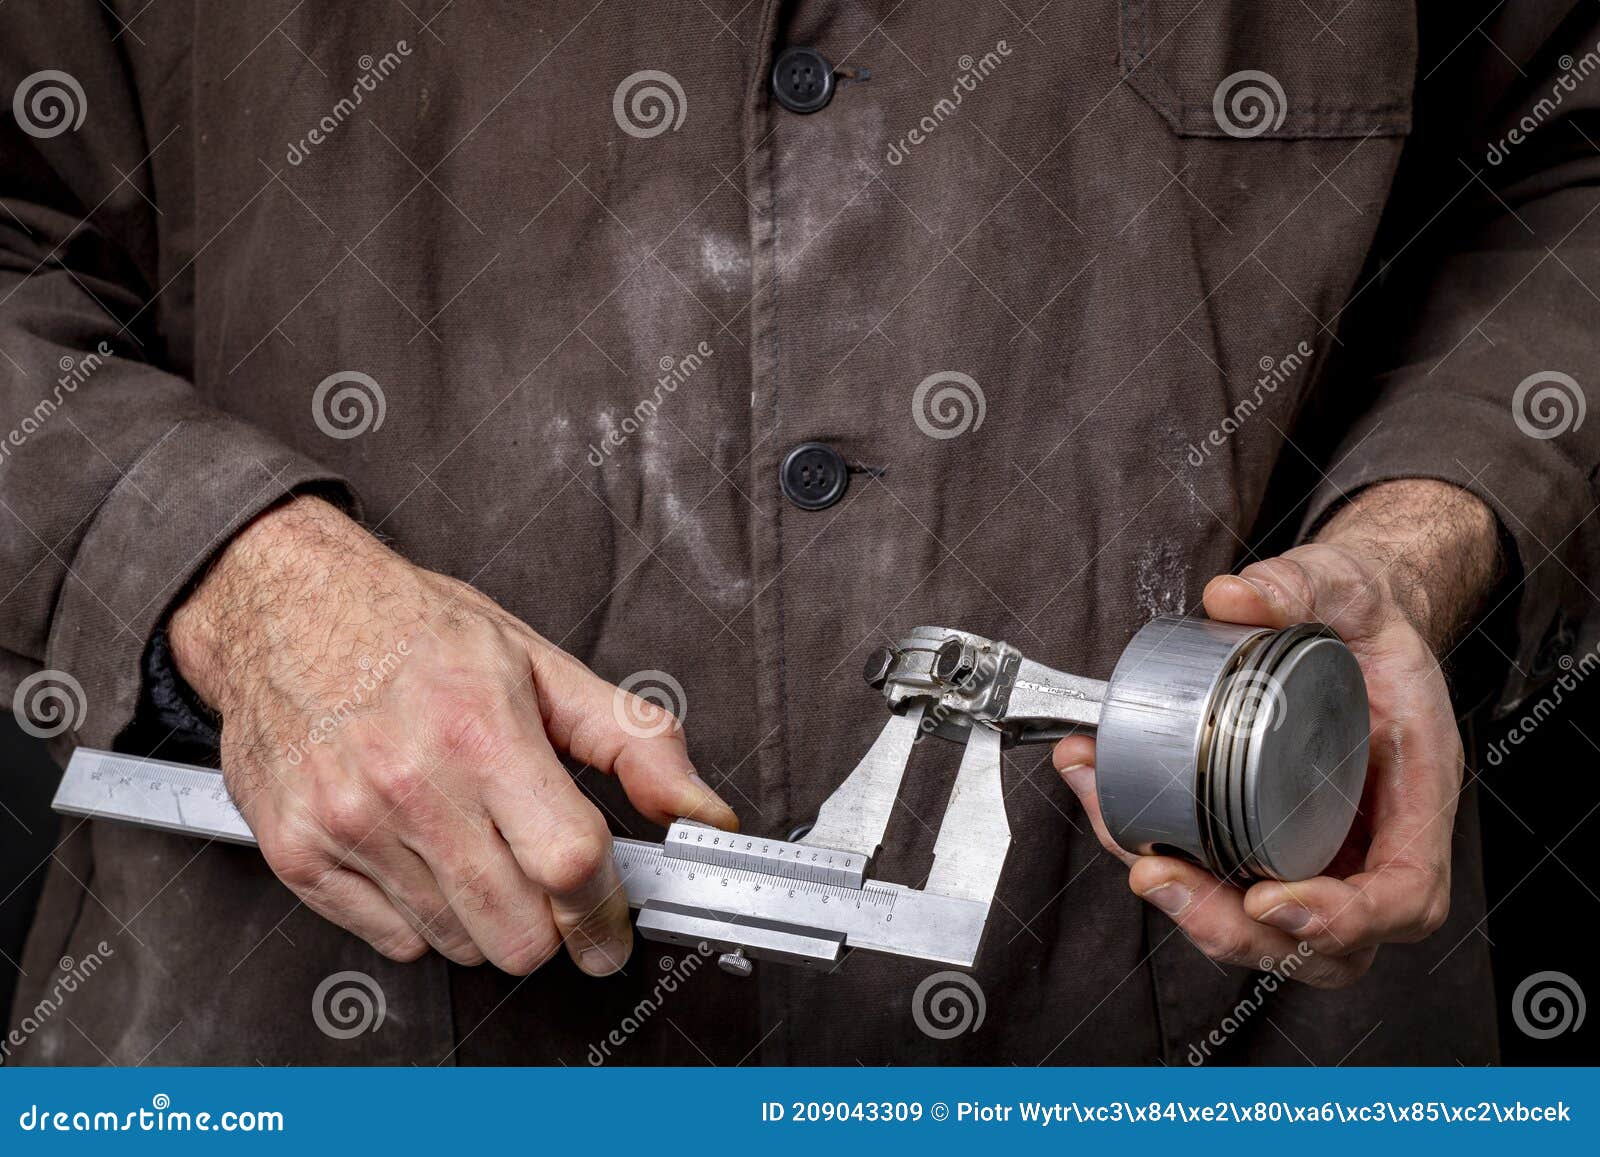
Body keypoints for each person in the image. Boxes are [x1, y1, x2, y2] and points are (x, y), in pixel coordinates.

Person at [2, 2, 1595, 1065]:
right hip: (312, 1035)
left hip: (1223, 1043)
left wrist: (1427, 532)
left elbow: (1569, 168)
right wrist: (249, 585)